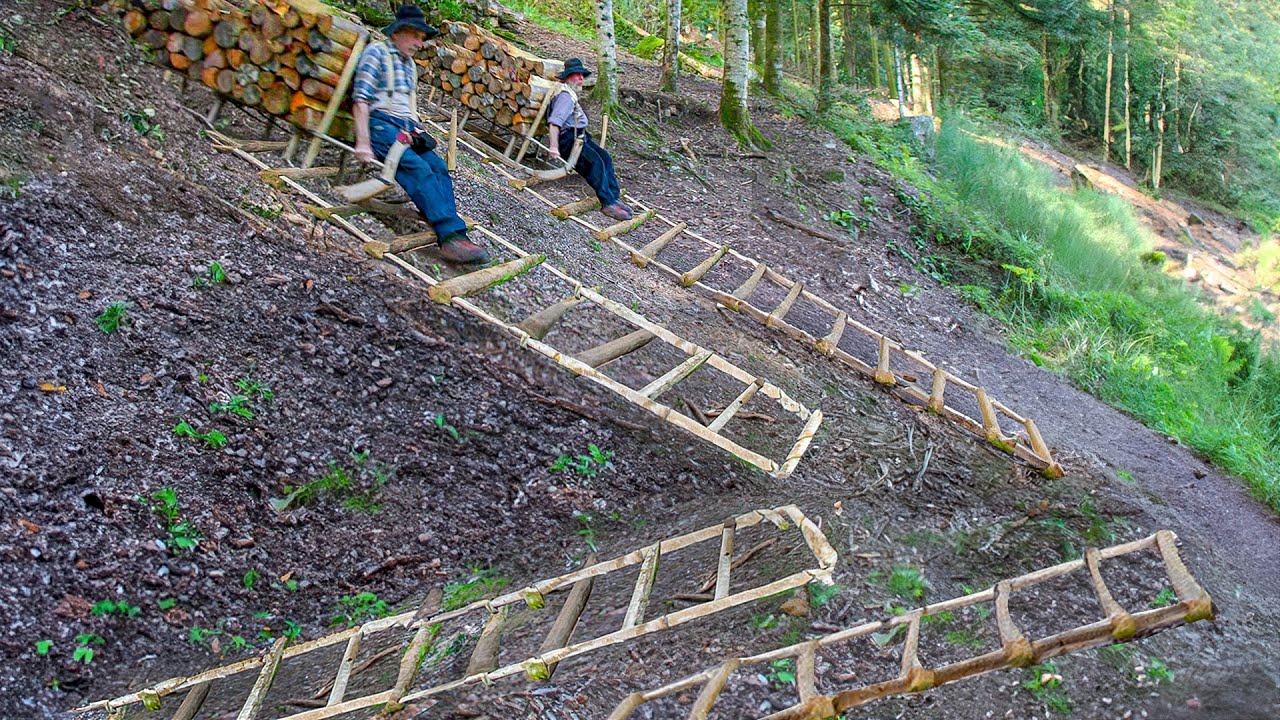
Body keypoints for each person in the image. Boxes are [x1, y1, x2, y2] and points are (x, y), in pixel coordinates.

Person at [351, 4, 489, 265]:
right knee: (417, 168)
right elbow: (360, 100)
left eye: (422, 37)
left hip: (404, 128)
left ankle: (451, 229)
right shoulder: (376, 54)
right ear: (398, 32)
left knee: (438, 168)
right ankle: (450, 237)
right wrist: (363, 142)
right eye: (415, 36)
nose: (419, 42)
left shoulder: (409, 65)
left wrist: (417, 128)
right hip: (380, 125)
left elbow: (408, 105)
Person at [545, 58, 633, 221]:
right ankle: (607, 203)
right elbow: (554, 123)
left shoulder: (569, 93)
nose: (580, 78)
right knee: (595, 164)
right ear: (566, 78)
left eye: (581, 75)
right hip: (568, 141)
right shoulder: (564, 96)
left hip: (580, 137)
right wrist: (554, 147)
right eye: (576, 75)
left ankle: (614, 197)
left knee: (605, 158)